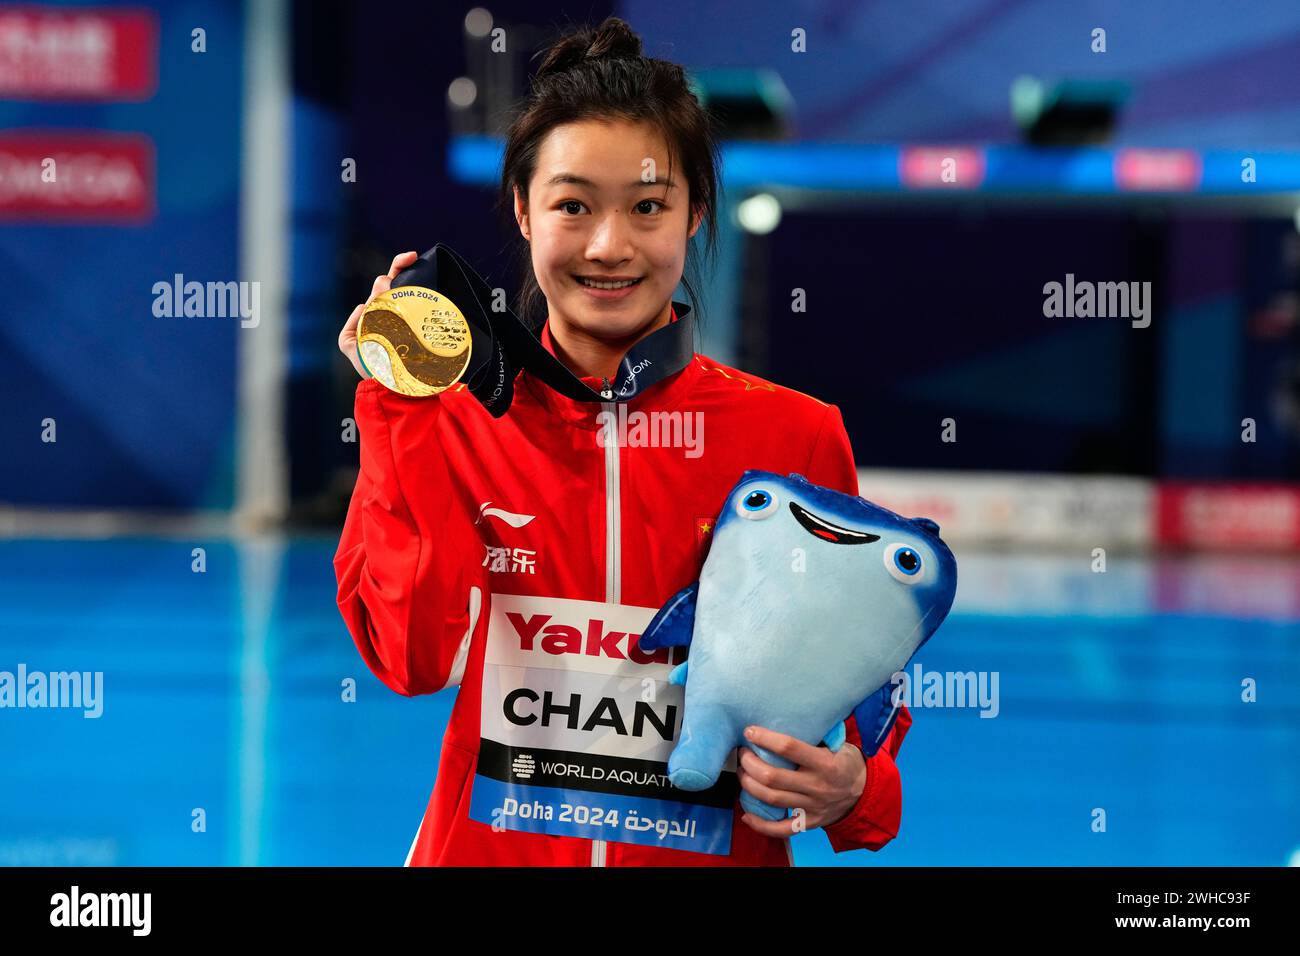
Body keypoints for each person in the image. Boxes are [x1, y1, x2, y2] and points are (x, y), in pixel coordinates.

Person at [333, 16, 912, 867]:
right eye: (573, 205)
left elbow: (870, 691)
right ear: (524, 214)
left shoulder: (795, 435)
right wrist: (400, 407)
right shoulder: (448, 422)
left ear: (694, 216)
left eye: (647, 206)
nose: (610, 246)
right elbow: (413, 658)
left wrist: (859, 789)